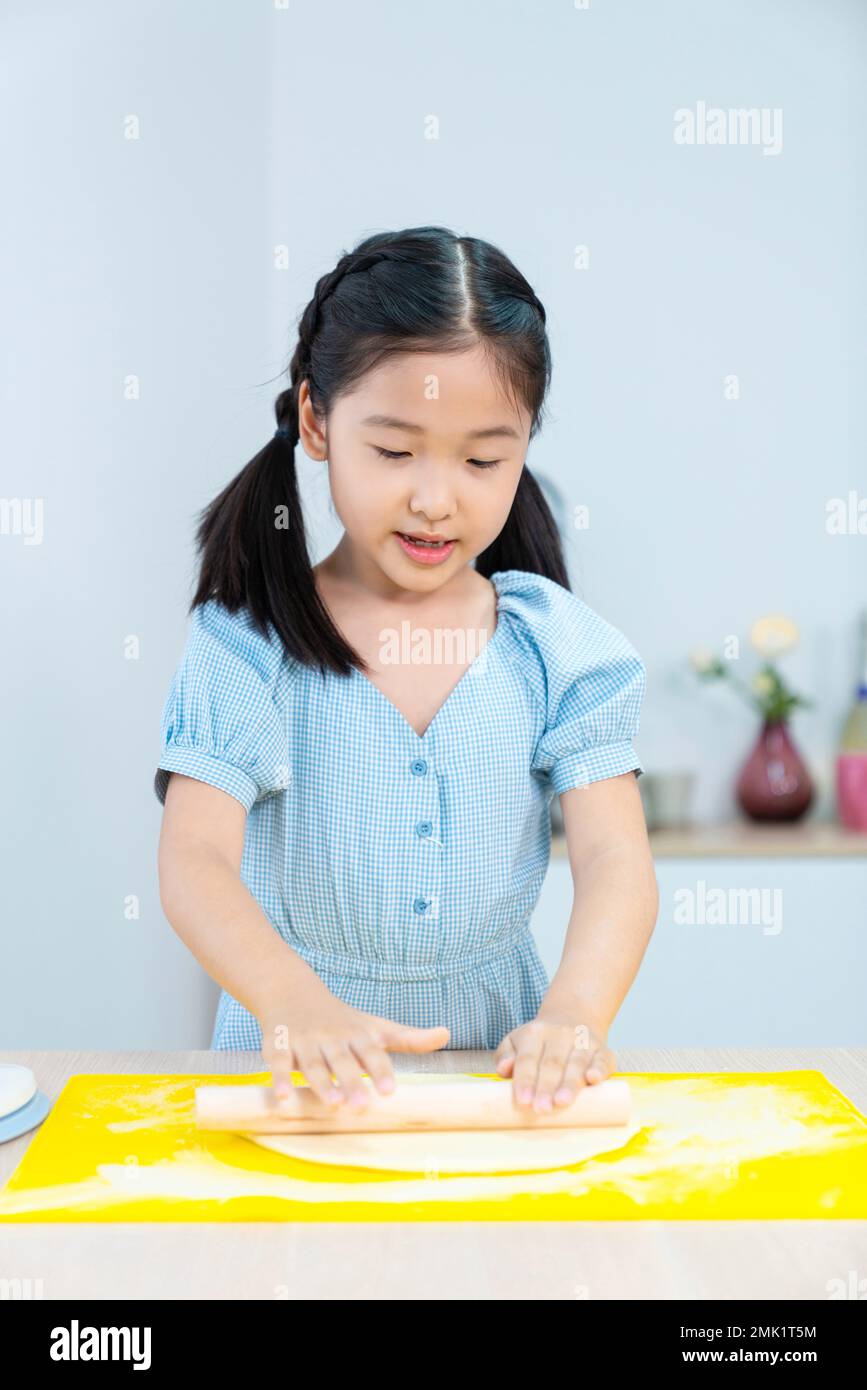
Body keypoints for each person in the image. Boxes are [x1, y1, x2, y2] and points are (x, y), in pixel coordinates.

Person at [154, 225, 658, 1116]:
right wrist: (291, 1000)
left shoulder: (554, 646)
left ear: (524, 445)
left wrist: (575, 1014)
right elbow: (194, 858)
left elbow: (615, 856)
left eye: (482, 459)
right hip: (290, 1081)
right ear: (316, 420)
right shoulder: (250, 639)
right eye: (394, 452)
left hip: (492, 1087)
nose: (436, 497)